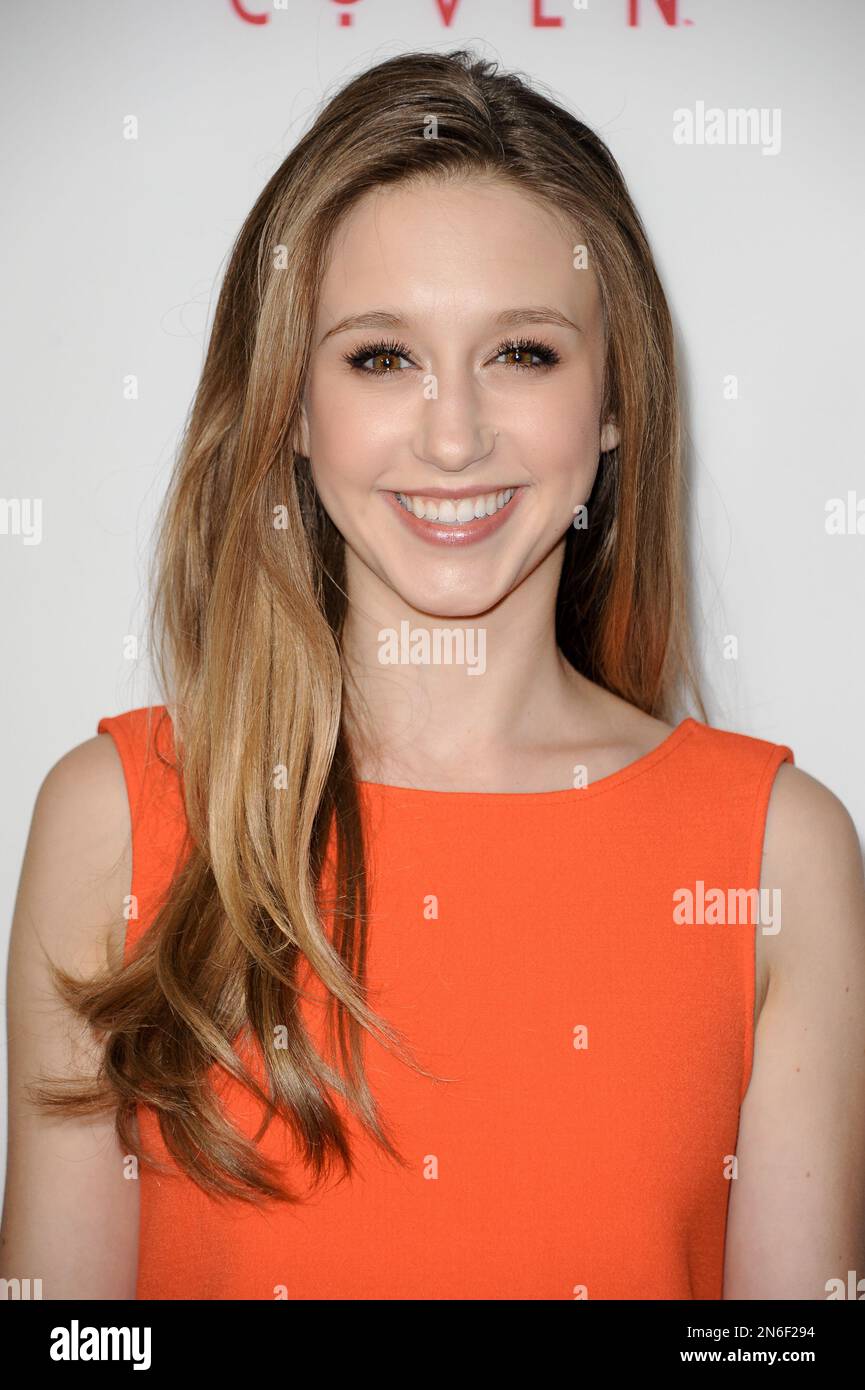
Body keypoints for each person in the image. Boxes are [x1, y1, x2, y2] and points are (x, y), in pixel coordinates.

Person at [2, 49, 864, 1302]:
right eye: (378, 357)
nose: (453, 435)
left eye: (522, 352)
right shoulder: (110, 820)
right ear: (290, 405)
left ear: (615, 398)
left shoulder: (775, 854)